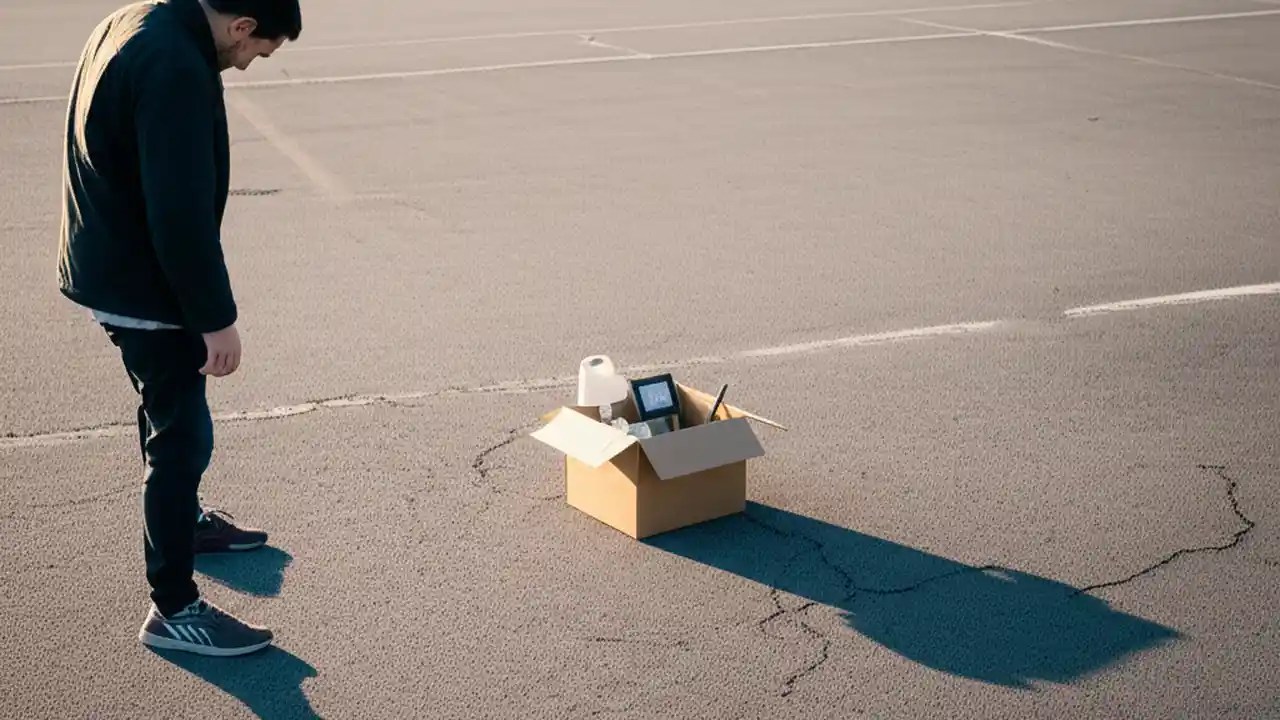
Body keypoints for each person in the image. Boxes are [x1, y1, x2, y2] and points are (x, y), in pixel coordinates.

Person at [58, 0, 302, 656]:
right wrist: (215, 320)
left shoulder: (141, 18)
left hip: (108, 257)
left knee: (163, 408)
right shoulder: (176, 67)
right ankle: (173, 609)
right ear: (241, 25)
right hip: (141, 279)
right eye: (257, 51)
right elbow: (180, 215)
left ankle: (186, 521)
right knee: (184, 437)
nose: (247, 64)